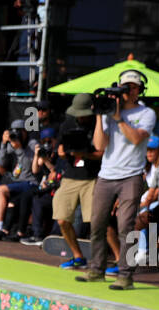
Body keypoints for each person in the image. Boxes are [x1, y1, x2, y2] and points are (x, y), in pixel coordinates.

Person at [75, 68, 155, 291]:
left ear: (139, 90)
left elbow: (136, 139)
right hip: (106, 175)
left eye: (131, 87)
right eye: (123, 87)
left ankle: (126, 275)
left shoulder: (147, 113)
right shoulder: (109, 112)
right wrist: (101, 115)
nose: (126, 91)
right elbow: (100, 145)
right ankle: (97, 270)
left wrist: (119, 118)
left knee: (125, 226)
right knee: (97, 224)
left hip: (131, 176)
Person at [50, 93, 101, 269]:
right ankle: (78, 256)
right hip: (70, 176)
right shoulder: (67, 123)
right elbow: (59, 149)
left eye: (83, 113)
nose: (80, 117)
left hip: (92, 177)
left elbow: (102, 153)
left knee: (96, 222)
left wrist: (85, 154)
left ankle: (108, 259)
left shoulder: (99, 124)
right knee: (62, 219)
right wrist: (62, 152)